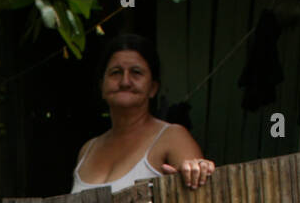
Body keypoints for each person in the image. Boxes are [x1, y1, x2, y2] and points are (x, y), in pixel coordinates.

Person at [71, 33, 216, 193]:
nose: (125, 81)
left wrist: (197, 169)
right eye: (116, 72)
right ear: (102, 86)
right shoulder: (88, 150)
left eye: (136, 72)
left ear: (153, 88)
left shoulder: (173, 137)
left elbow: (197, 197)